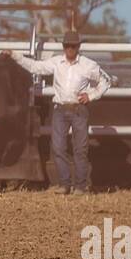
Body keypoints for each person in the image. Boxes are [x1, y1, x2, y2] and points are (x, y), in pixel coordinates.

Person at [11, 29, 111, 194]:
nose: (70, 49)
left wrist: (91, 95)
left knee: (80, 149)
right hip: (60, 108)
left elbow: (106, 81)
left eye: (72, 46)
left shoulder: (88, 65)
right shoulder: (56, 62)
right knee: (58, 147)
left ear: (78, 47)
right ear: (64, 46)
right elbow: (35, 67)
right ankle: (65, 184)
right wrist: (16, 56)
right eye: (67, 45)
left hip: (79, 109)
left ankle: (80, 185)